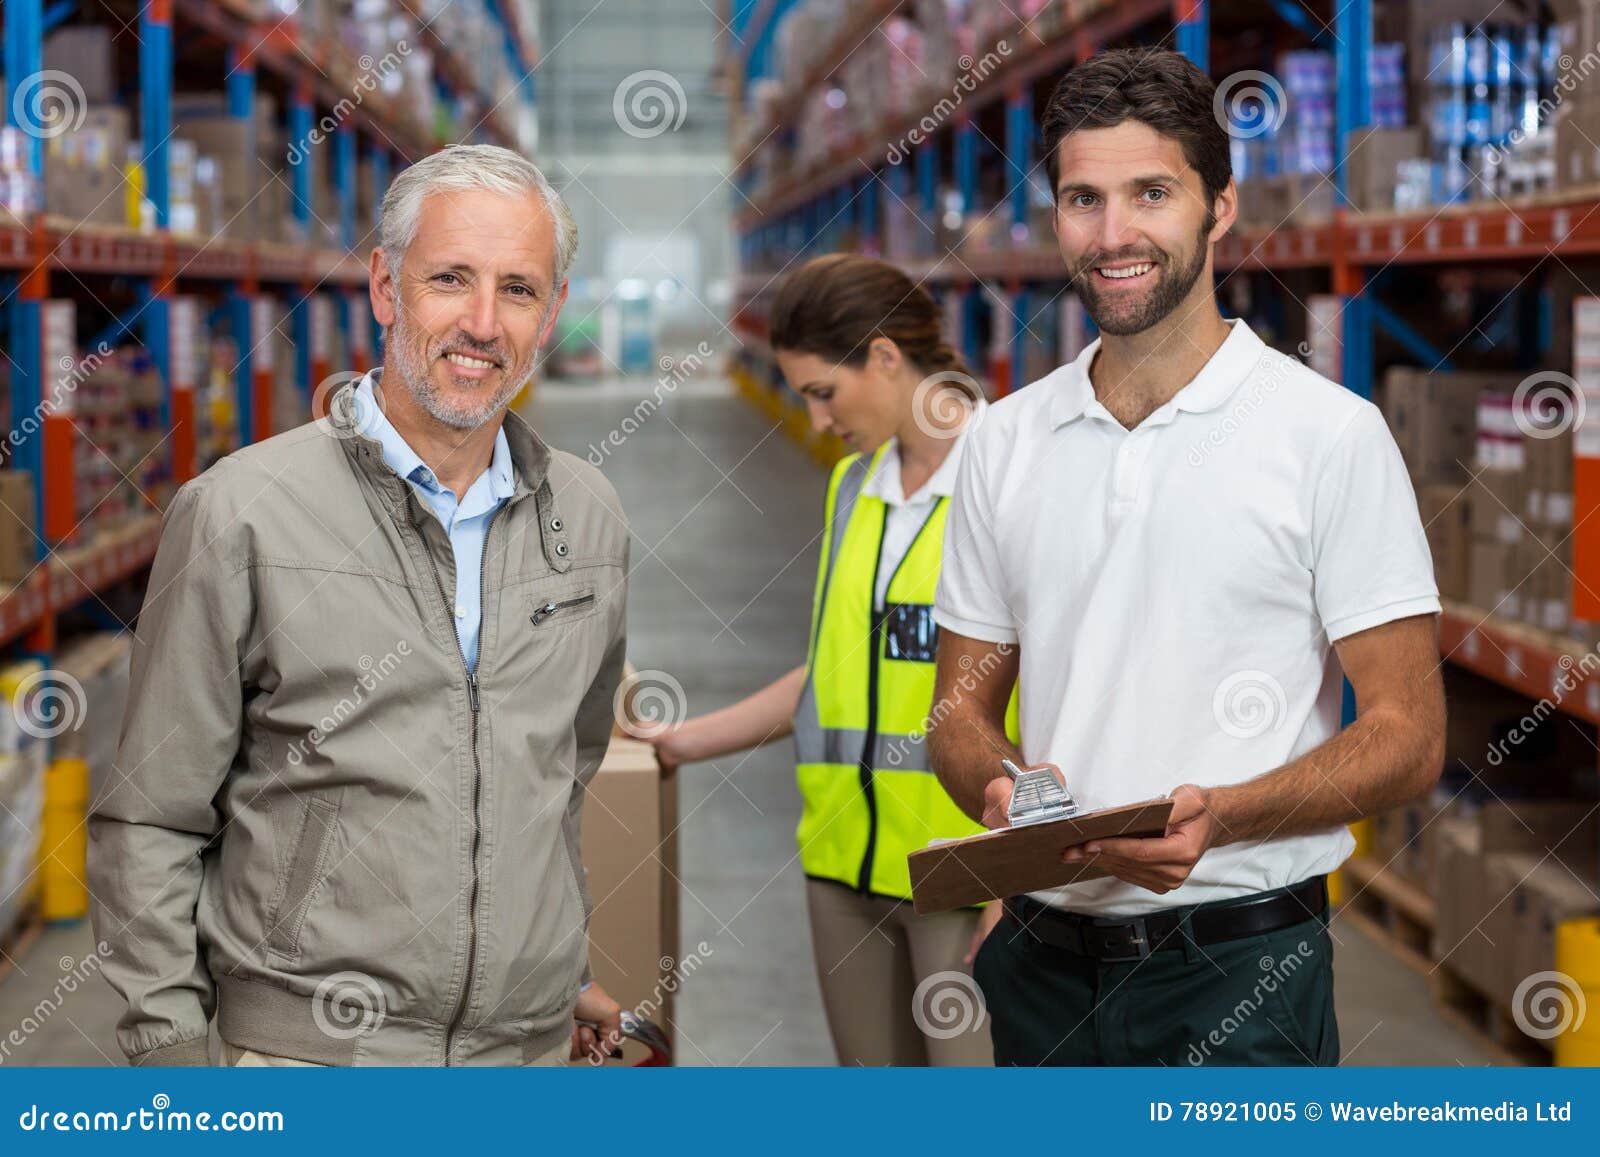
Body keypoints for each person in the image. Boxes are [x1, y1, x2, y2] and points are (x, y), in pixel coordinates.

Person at [926, 48, 1446, 1066]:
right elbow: (957, 712)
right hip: (1040, 965)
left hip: (1240, 970)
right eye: (1083, 198)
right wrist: (1001, 792)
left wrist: (1226, 815)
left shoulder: (1325, 435)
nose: (1112, 234)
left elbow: (1408, 731)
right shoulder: (1004, 439)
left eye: (1150, 193)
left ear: (1219, 208)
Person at [88, 144, 632, 1067]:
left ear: (554, 315)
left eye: (520, 289)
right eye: (450, 279)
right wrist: (173, 1057)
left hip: (529, 1055)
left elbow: (553, 776)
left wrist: (545, 964)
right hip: (315, 1056)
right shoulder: (240, 511)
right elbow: (151, 815)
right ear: (385, 286)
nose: (483, 322)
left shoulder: (586, 518)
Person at [650, 254, 1014, 1065]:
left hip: (964, 875)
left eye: (824, 392)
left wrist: (1023, 879)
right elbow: (830, 678)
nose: (815, 420)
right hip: (841, 871)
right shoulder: (852, 486)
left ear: (885, 358)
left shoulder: (1013, 482)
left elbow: (1067, 688)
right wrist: (682, 742)